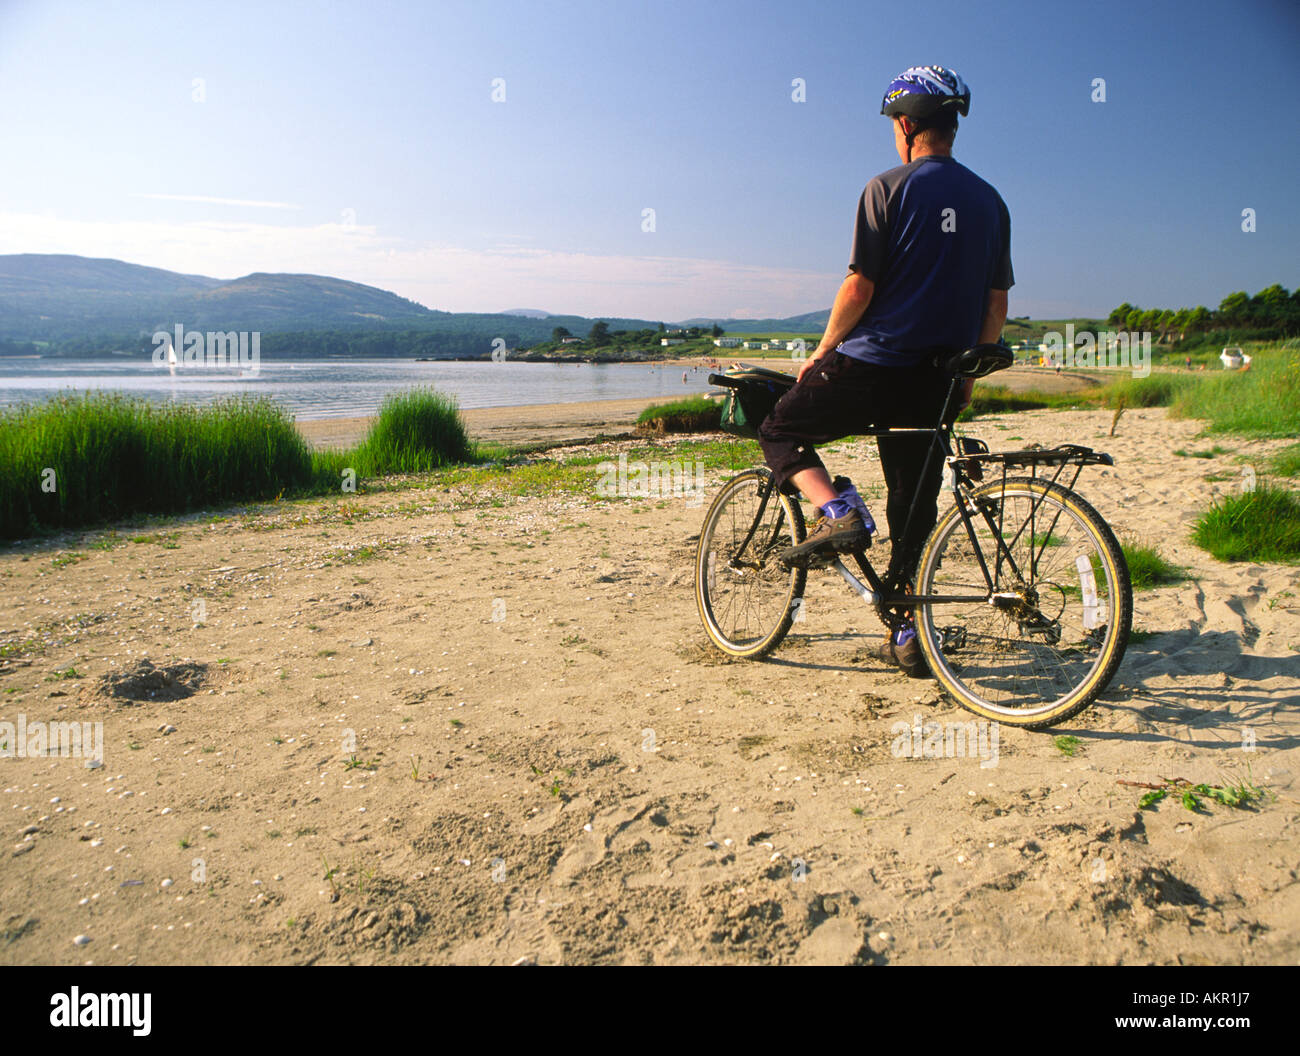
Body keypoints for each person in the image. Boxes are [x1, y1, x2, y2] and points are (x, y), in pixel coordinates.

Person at [758, 65, 1013, 677]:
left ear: (905, 125)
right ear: (950, 126)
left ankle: (838, 512)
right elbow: (995, 300)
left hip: (873, 364)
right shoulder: (990, 201)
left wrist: (822, 350)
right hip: (940, 377)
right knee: (912, 503)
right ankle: (907, 630)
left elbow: (860, 286)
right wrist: (971, 373)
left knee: (780, 429)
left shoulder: (887, 187)